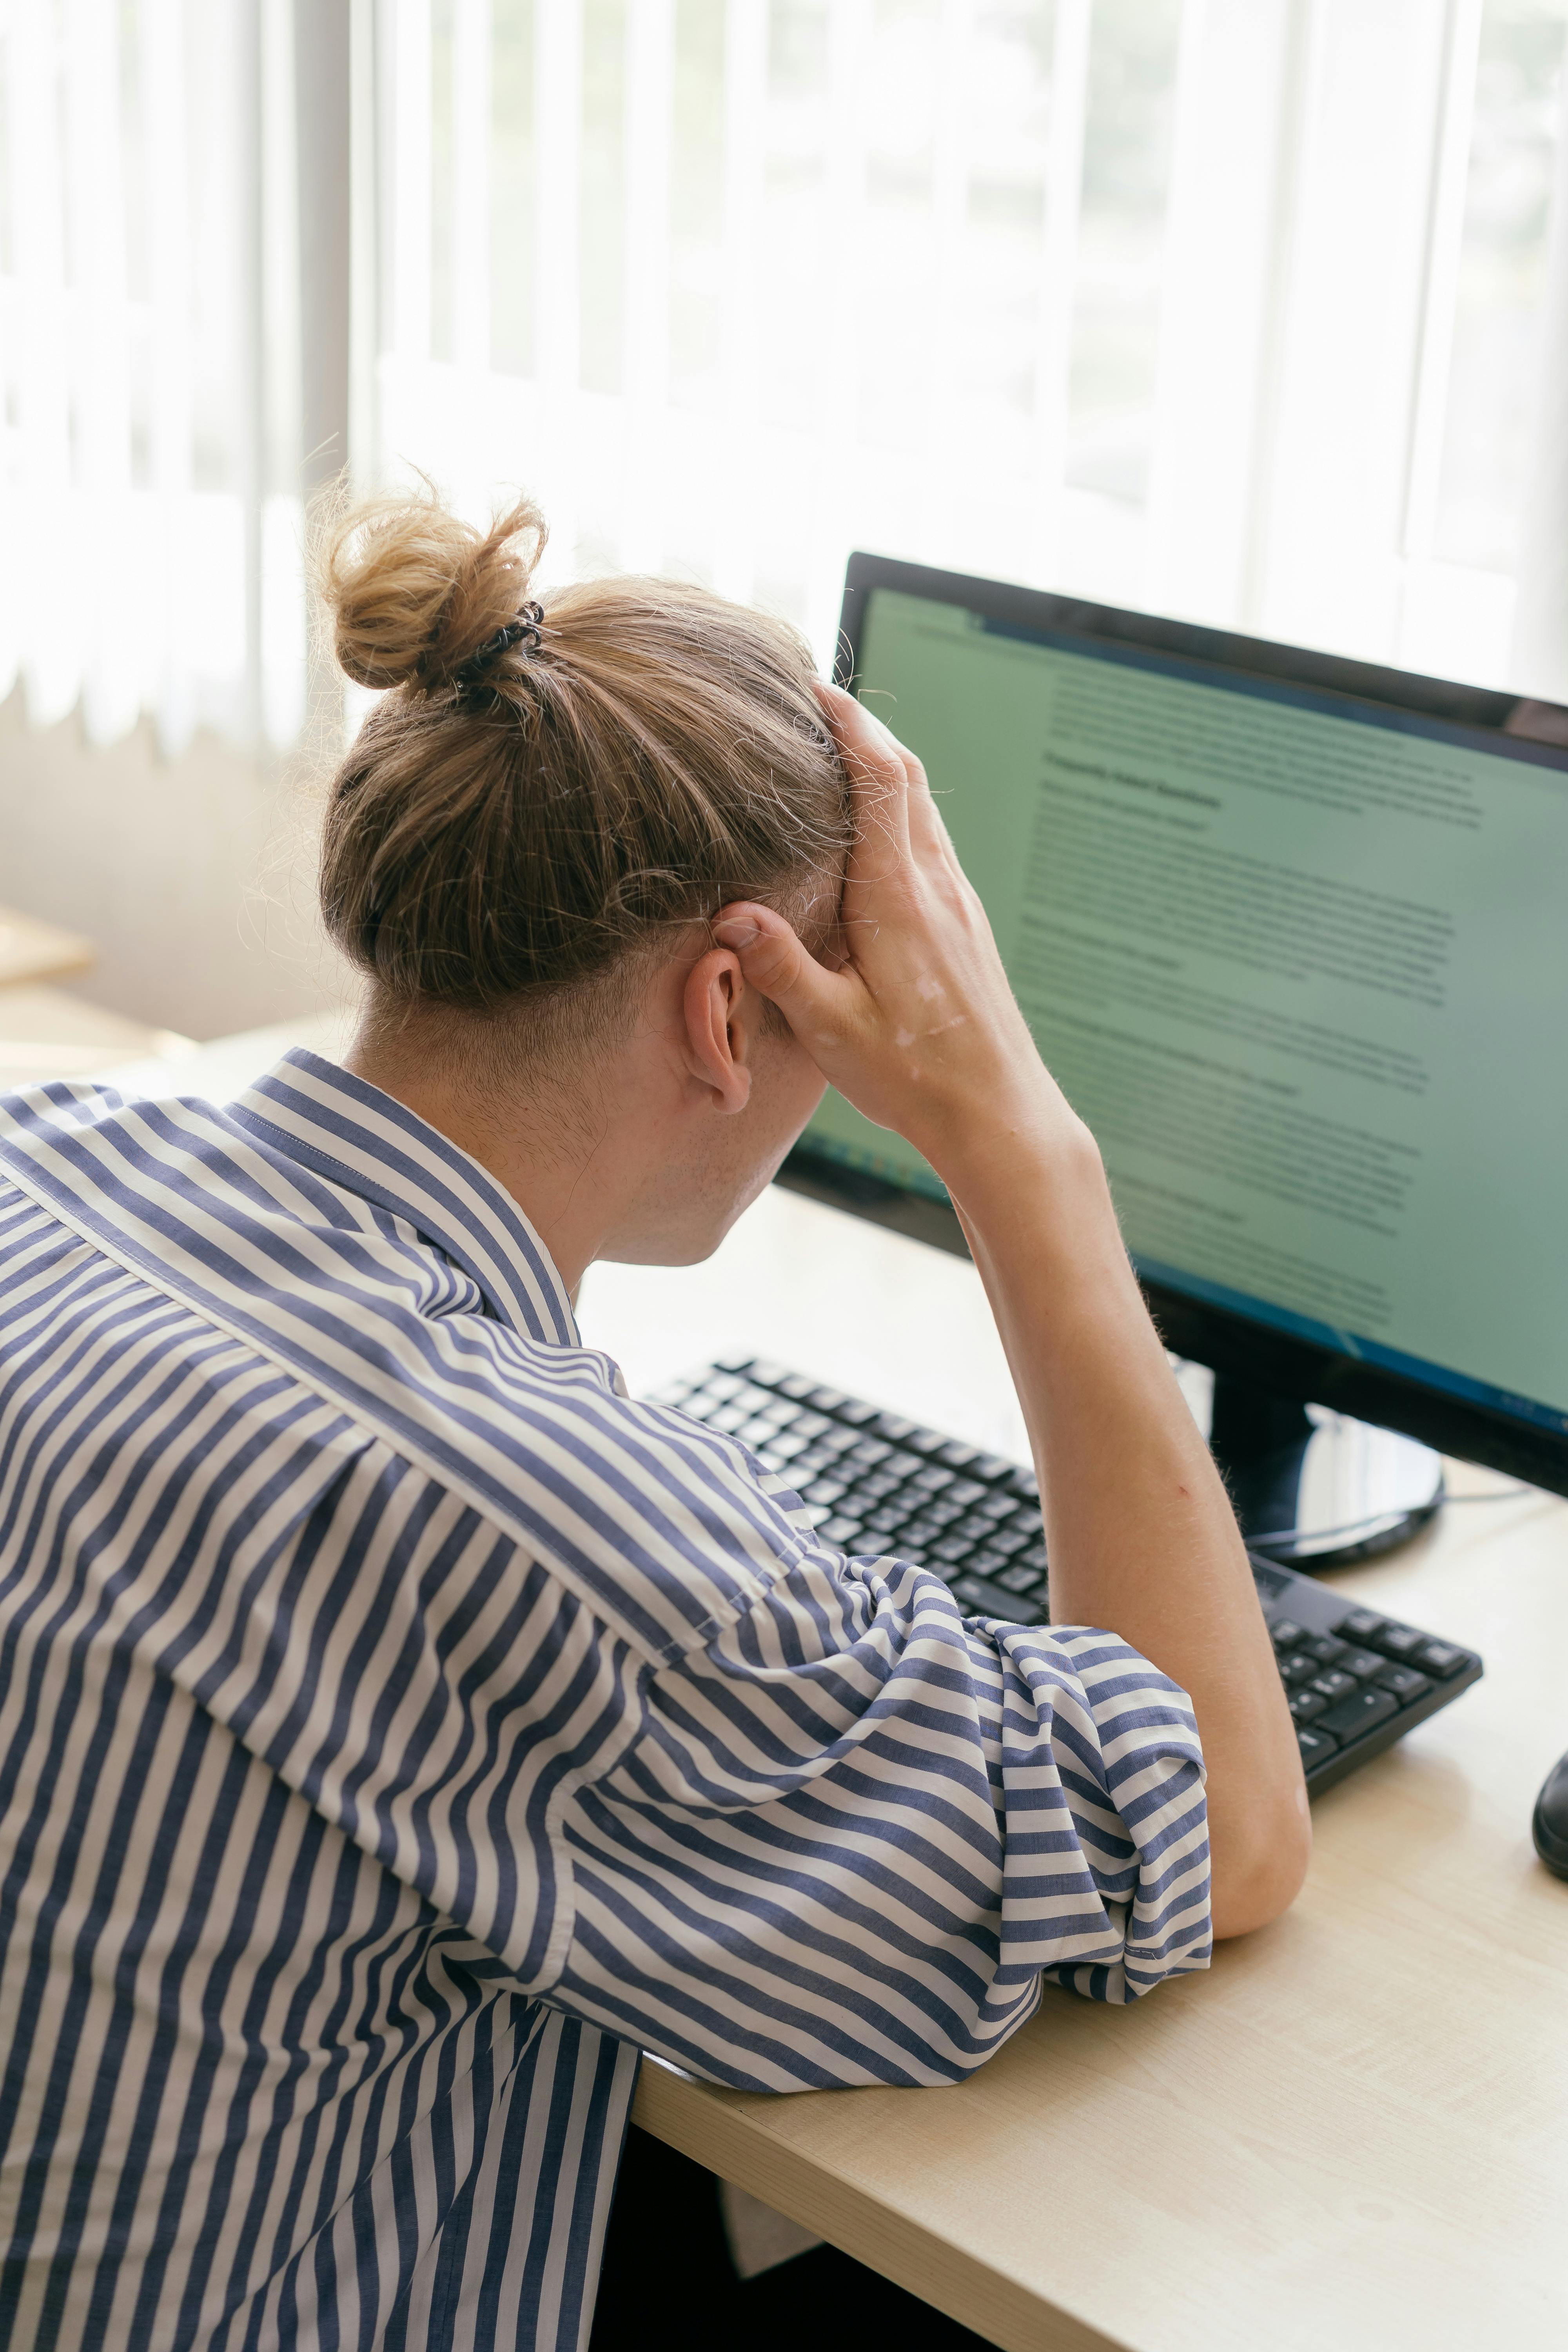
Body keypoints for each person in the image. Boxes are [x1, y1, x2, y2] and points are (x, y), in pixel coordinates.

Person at [0, 487, 1309, 2352]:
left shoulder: (45, 1144)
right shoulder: (527, 1516)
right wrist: (1019, 1135)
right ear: (726, 1005)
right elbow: (1221, 1824)